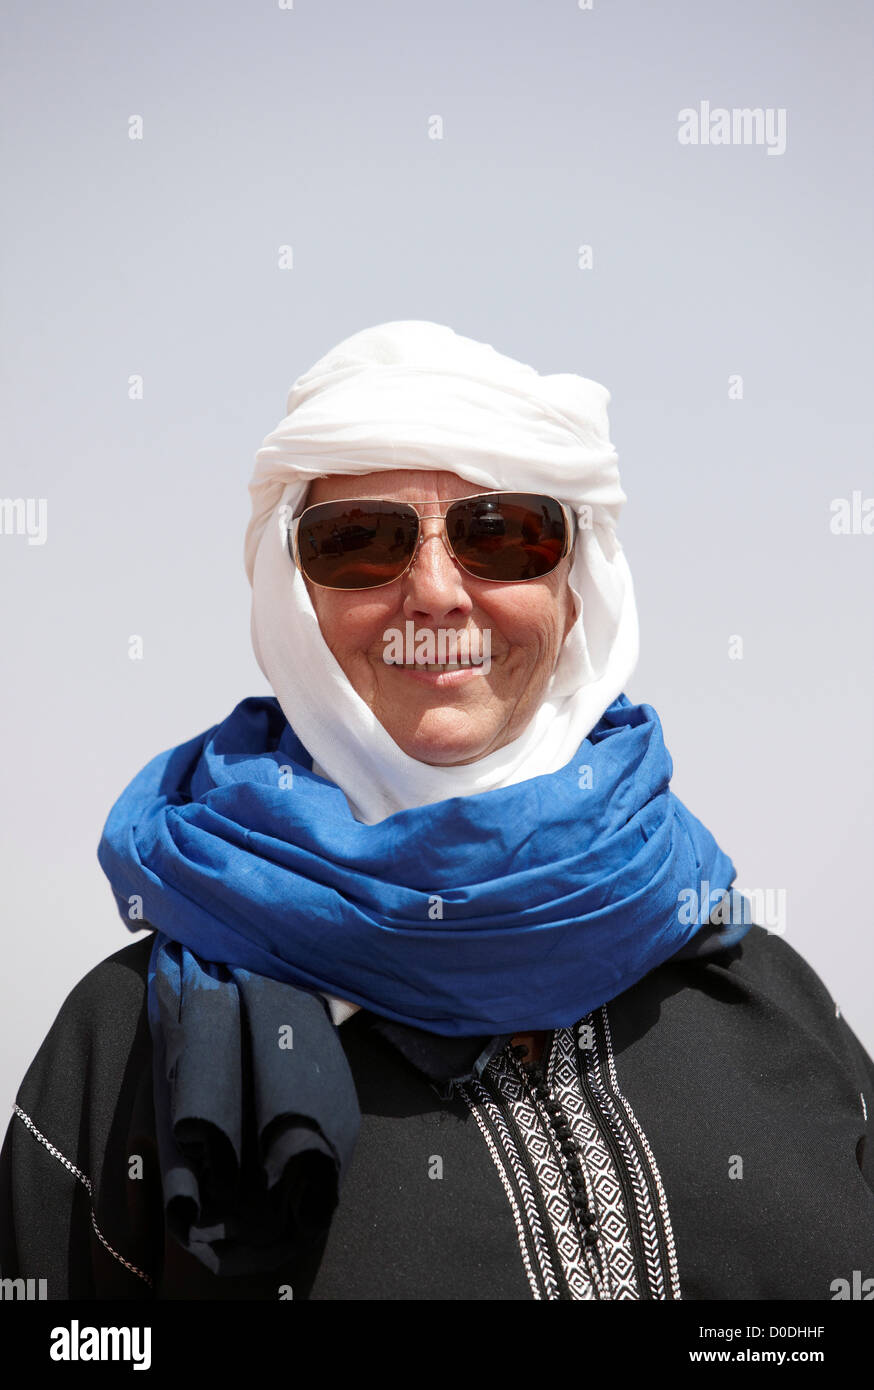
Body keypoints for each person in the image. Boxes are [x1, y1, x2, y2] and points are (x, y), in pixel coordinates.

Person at [1, 321, 872, 1301]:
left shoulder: (761, 992)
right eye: (359, 542)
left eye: (502, 533)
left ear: (575, 590)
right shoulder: (131, 1045)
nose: (435, 593)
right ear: (297, 603)